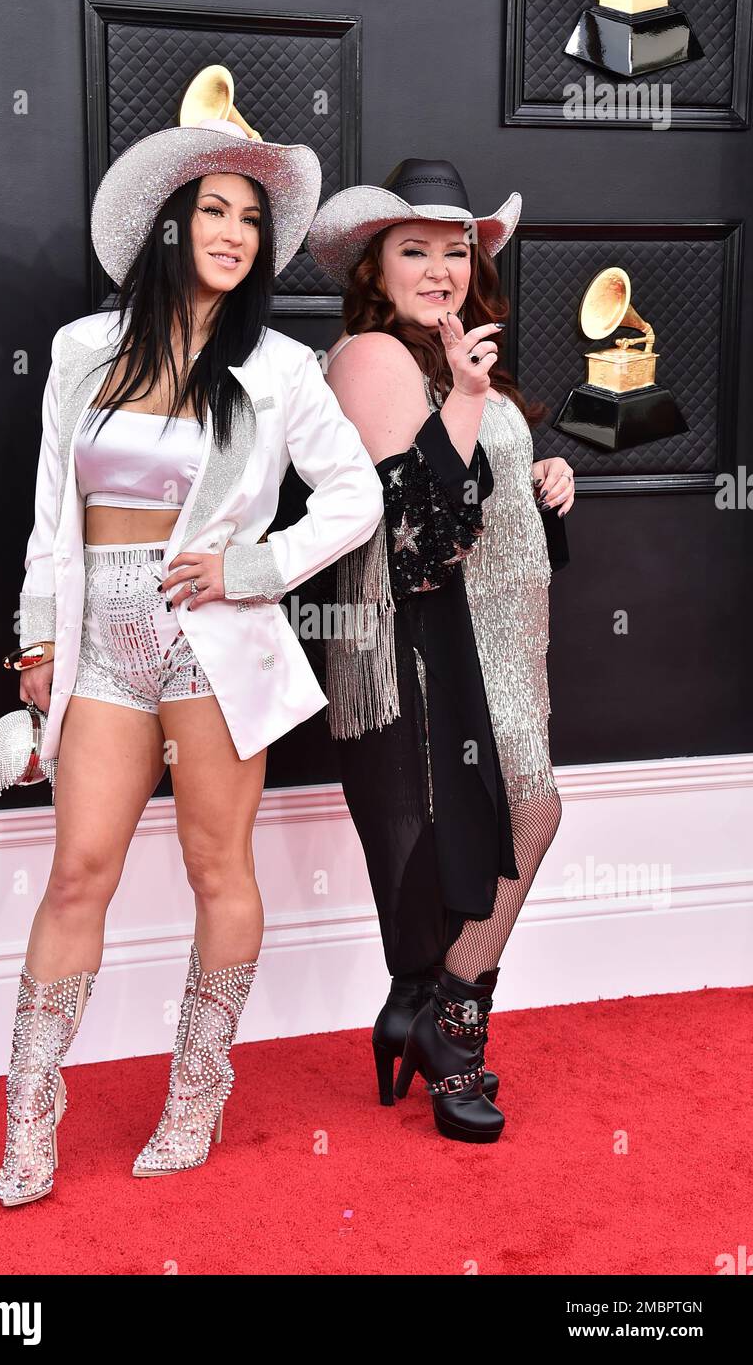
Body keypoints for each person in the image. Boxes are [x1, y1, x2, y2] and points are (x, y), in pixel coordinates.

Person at [0, 75, 384, 1206]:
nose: (232, 233)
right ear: (171, 222)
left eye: (250, 217)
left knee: (219, 865)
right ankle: (30, 1114)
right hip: (101, 643)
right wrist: (36, 643)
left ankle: (196, 1091)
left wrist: (249, 569)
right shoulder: (82, 351)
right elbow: (46, 519)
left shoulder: (276, 370)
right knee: (80, 871)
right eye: (213, 209)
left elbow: (351, 495)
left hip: (210, 642)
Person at [306, 158, 573, 1142]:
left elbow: (484, 490)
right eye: (411, 250)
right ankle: (448, 1033)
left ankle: (422, 1009)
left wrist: (541, 471)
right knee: (520, 816)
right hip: (432, 639)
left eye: (452, 251)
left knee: (516, 816)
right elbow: (421, 531)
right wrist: (465, 399)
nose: (436, 269)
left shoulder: (463, 354)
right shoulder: (373, 357)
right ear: (373, 267)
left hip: (506, 629)